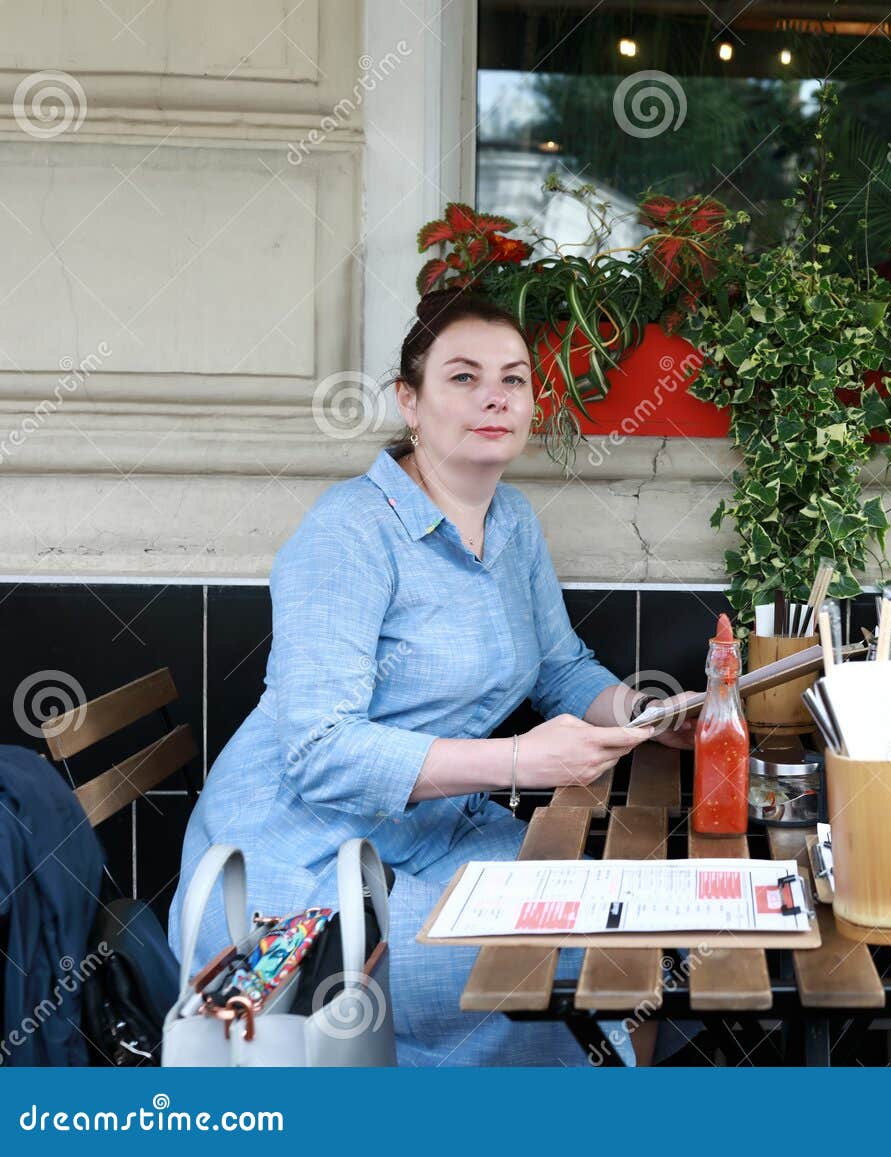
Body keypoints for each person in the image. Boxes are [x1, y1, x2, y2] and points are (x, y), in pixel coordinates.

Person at [168, 290, 692, 1066]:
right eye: (464, 377)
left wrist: (646, 710)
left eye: (514, 380)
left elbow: (559, 666)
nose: (494, 396)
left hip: (425, 839)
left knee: (640, 918)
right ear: (409, 402)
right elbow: (320, 749)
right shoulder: (349, 530)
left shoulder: (510, 521)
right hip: (299, 884)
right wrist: (519, 763)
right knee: (608, 953)